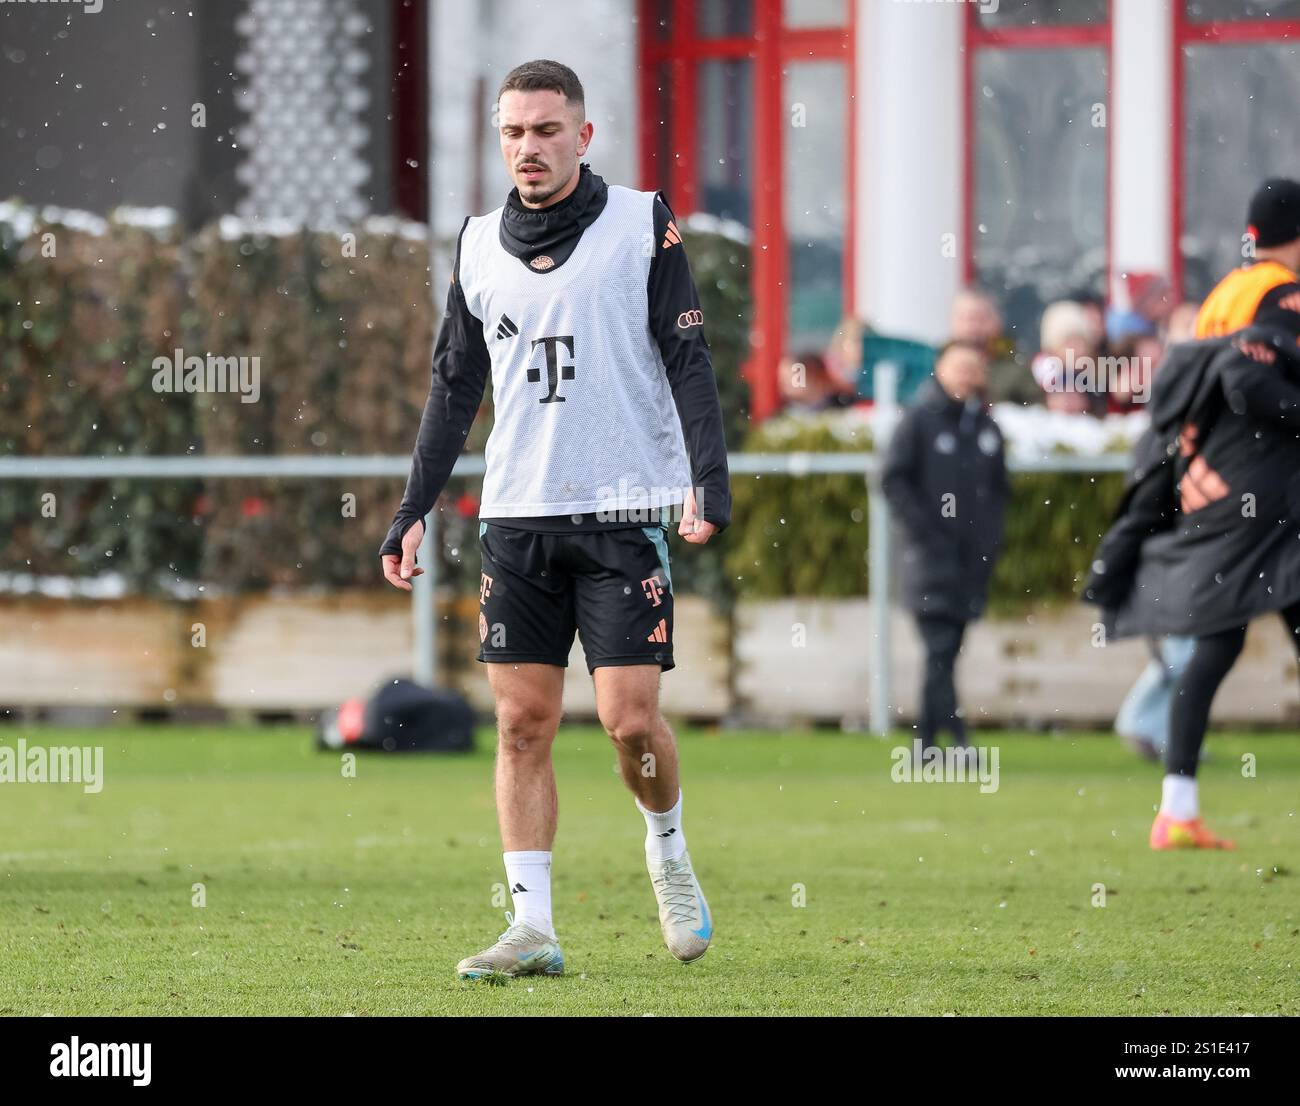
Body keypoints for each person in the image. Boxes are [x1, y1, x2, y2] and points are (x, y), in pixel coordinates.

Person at [380, 60, 731, 977]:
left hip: (620, 512)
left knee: (627, 721)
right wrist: (412, 508)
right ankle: (532, 928)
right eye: (512, 132)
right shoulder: (477, 243)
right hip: (517, 519)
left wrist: (707, 479)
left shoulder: (640, 222)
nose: (526, 148)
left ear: (583, 134)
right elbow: (455, 386)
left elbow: (688, 360)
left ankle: (666, 845)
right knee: (521, 724)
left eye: (544, 130)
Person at [1084, 178, 1300, 849]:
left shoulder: (1225, 294)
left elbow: (1201, 387)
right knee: (1221, 641)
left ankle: (1177, 809)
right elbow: (1247, 379)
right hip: (1271, 491)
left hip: (1219, 483)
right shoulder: (1283, 293)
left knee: (1217, 642)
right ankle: (1176, 808)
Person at [882, 341, 1009, 754]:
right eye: (959, 366)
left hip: (971, 564)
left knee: (947, 652)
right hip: (929, 562)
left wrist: (988, 542)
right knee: (940, 649)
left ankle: (925, 742)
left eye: (974, 367)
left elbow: (998, 492)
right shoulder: (919, 421)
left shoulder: (986, 428)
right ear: (940, 369)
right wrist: (928, 535)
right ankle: (955, 740)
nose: (966, 375)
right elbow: (892, 480)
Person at [949, 287, 1038, 406]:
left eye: (980, 319)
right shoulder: (934, 366)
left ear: (997, 322)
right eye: (965, 318)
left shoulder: (1018, 368)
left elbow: (1037, 415)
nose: (972, 327)